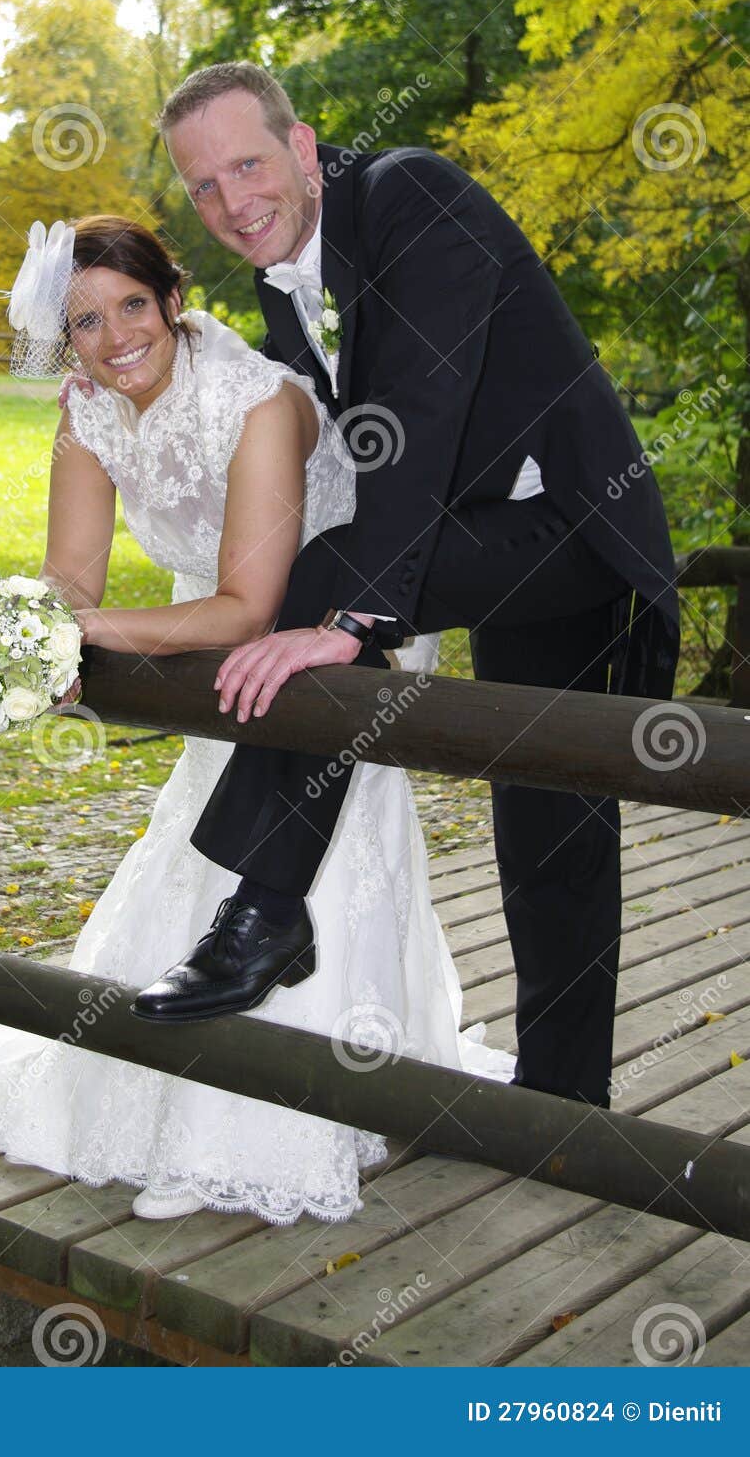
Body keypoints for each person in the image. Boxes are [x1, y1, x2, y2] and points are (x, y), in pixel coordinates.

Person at [0, 215, 514, 1228]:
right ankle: (172, 1099)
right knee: (206, 838)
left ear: (171, 300)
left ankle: (282, 1119)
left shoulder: (252, 399)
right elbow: (69, 579)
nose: (115, 337)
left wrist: (81, 636)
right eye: (85, 321)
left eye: (131, 305)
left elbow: (249, 606)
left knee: (323, 845)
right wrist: (37, 631)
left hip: (333, 625)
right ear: (63, 339)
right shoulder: (85, 411)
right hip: (203, 634)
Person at [130, 62, 679, 1112]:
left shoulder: (410, 193)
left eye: (247, 164)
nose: (231, 202)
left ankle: (266, 907)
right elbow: (338, 442)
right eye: (203, 187)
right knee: (537, 807)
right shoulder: (278, 281)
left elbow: (417, 415)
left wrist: (354, 616)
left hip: (570, 518)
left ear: (301, 148)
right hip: (480, 534)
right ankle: (558, 1098)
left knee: (550, 808)